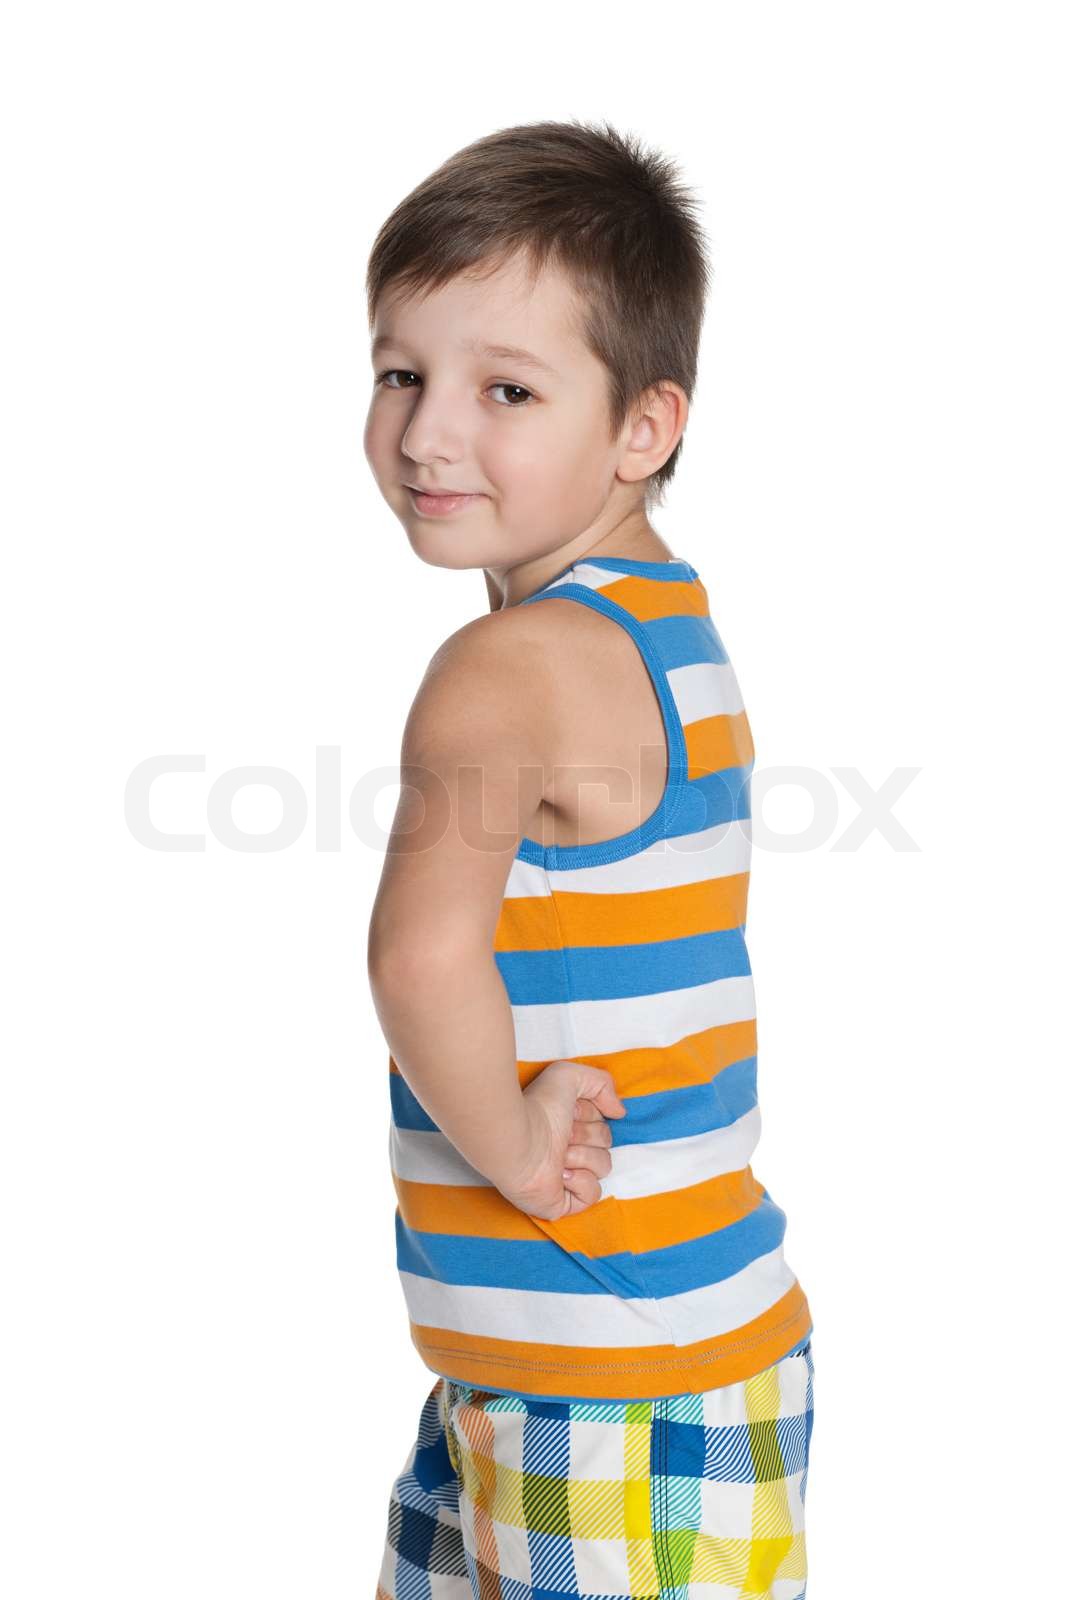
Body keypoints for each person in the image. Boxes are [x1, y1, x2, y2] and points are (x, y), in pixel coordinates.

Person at [364, 118, 815, 1600]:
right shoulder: (662, 622)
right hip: (578, 1364)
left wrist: (511, 1150)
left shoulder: (509, 664)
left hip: (612, 1384)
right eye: (400, 371)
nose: (430, 432)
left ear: (644, 426)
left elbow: (419, 956)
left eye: (506, 389)